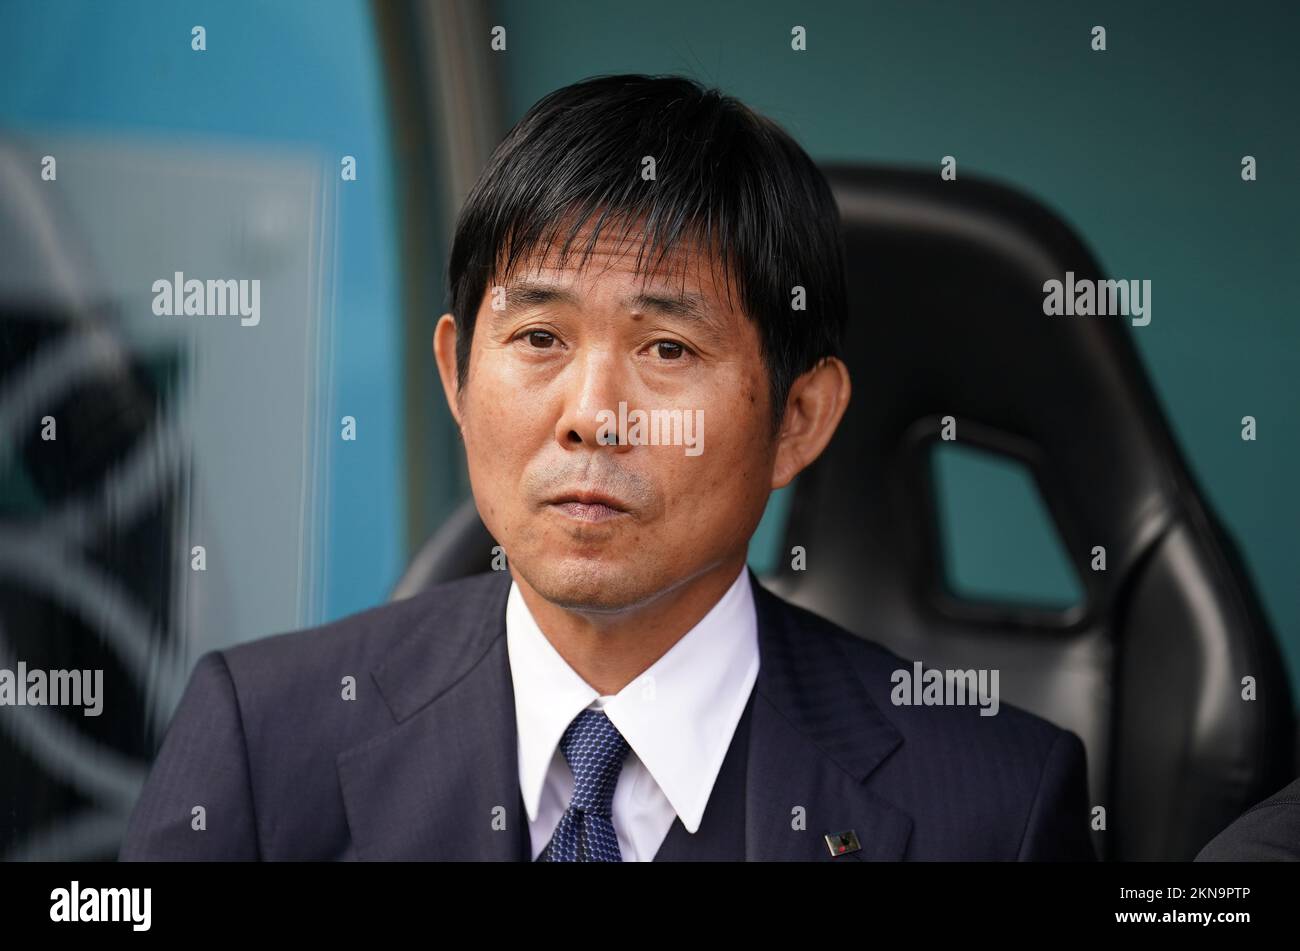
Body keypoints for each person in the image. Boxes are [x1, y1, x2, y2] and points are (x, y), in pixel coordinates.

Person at [119, 73, 1095, 862]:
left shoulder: (993, 808)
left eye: (667, 350)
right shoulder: (265, 743)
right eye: (539, 336)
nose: (591, 416)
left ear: (799, 418)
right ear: (457, 376)